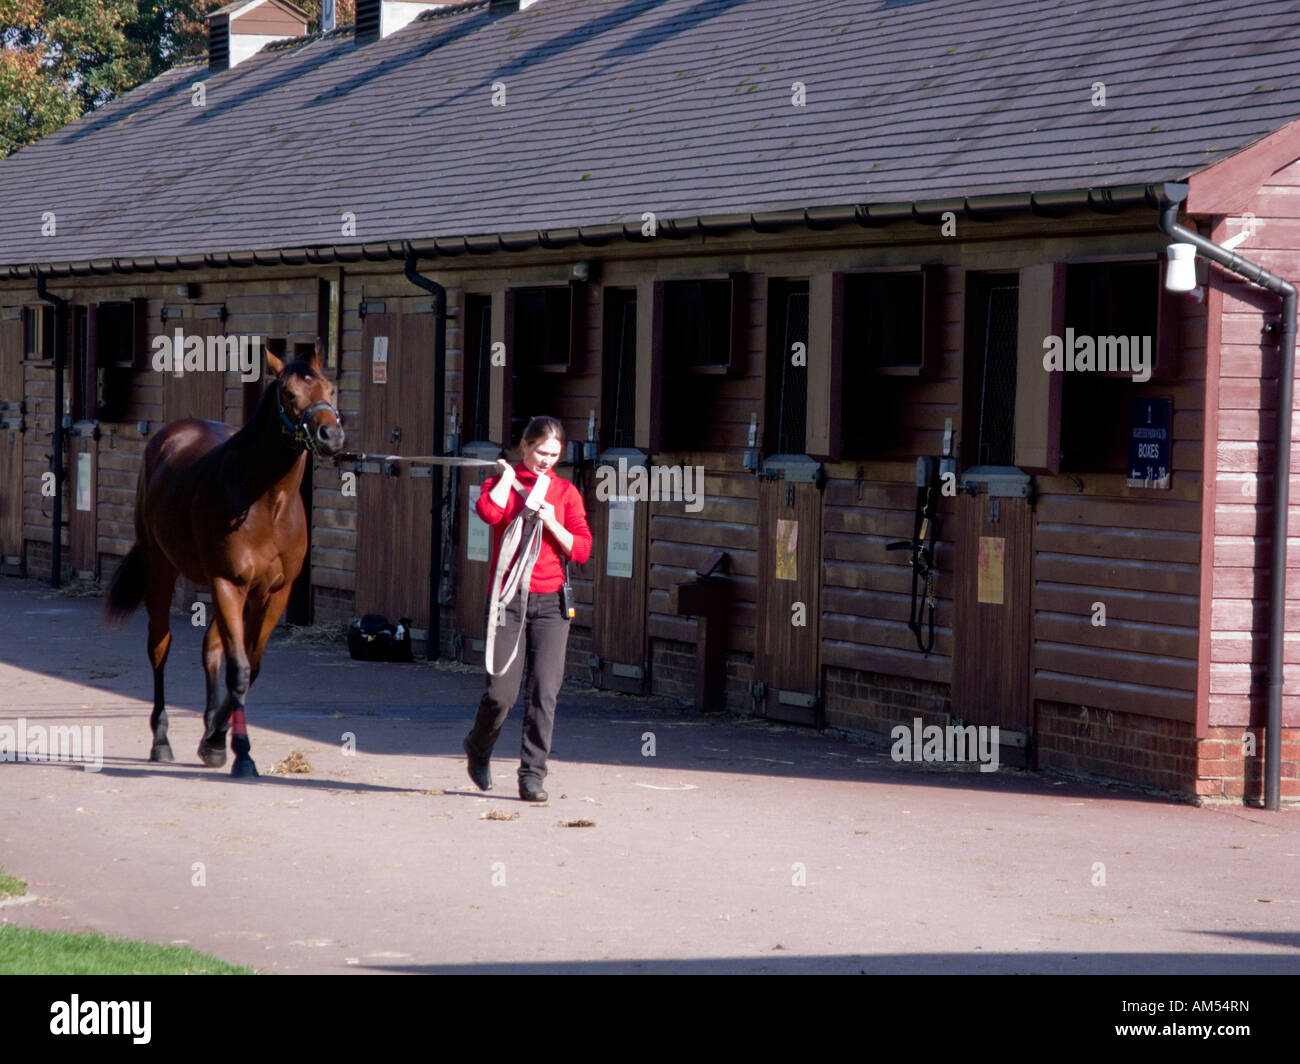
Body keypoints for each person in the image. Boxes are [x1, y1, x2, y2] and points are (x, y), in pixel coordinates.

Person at [463, 416, 592, 802]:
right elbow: (488, 513)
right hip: (508, 600)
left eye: (554, 454)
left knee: (545, 691)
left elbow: (582, 548)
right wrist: (505, 478)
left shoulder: (565, 492)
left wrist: (553, 522)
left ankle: (532, 775)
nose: (546, 460)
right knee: (502, 692)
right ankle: (478, 747)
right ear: (525, 447)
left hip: (551, 603)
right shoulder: (503, 483)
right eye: (540, 452)